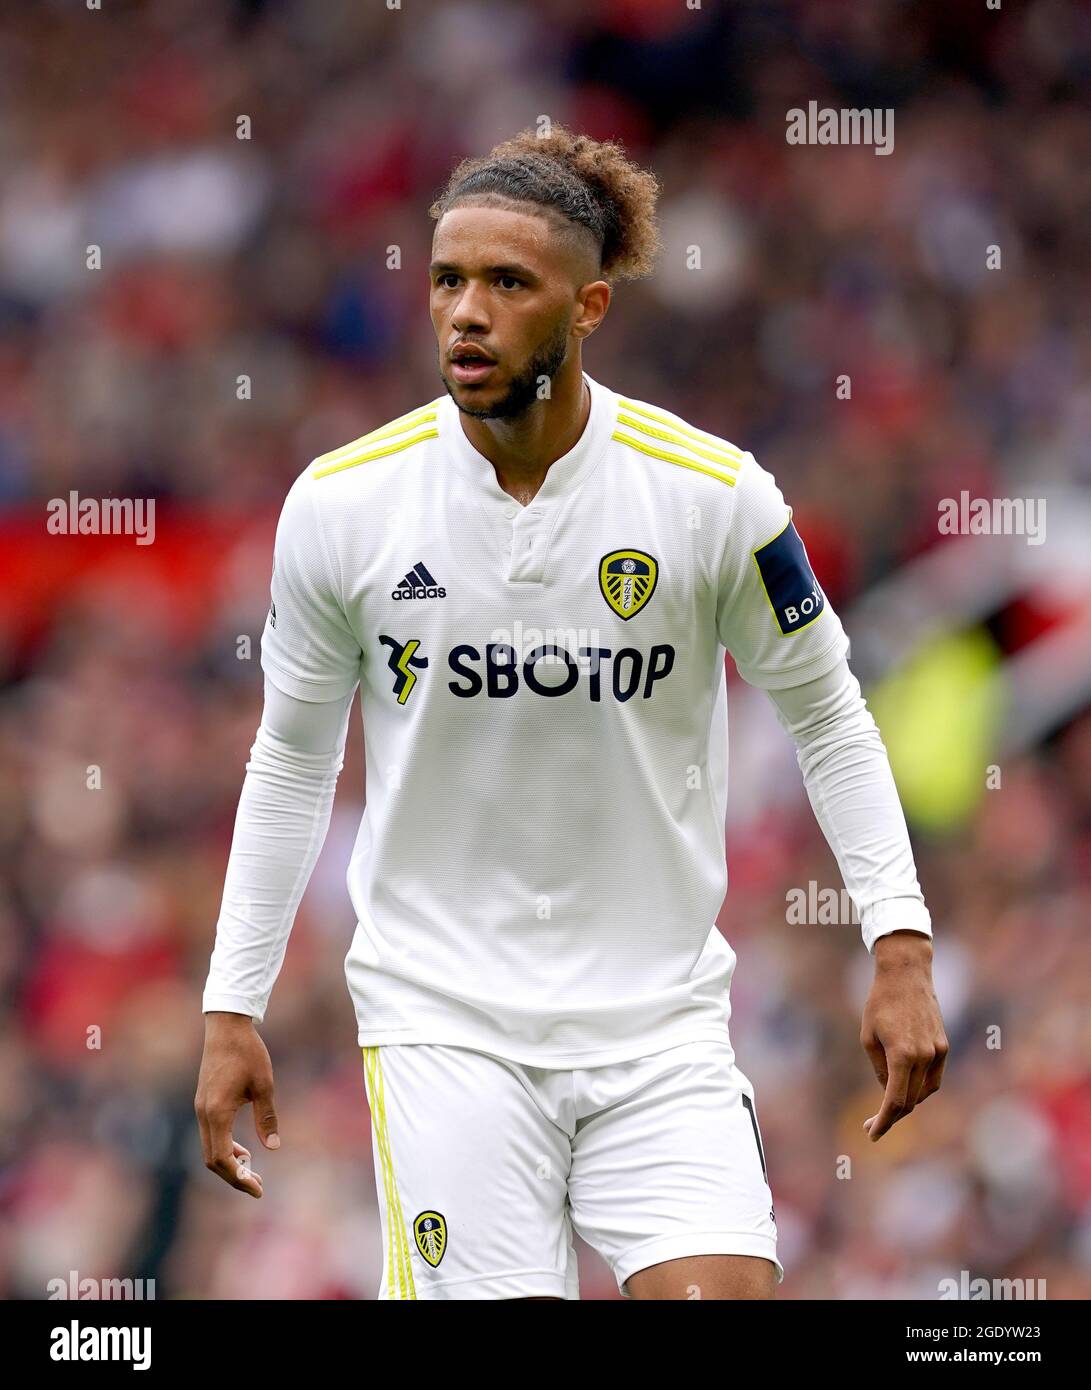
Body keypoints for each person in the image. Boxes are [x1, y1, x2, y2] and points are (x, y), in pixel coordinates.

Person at [195, 126, 948, 1301]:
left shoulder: (711, 496)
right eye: (447, 279)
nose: (465, 313)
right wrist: (231, 1000)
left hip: (657, 1026)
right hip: (445, 1025)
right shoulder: (343, 506)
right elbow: (292, 759)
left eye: (507, 283)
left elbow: (829, 715)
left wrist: (897, 943)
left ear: (588, 305)